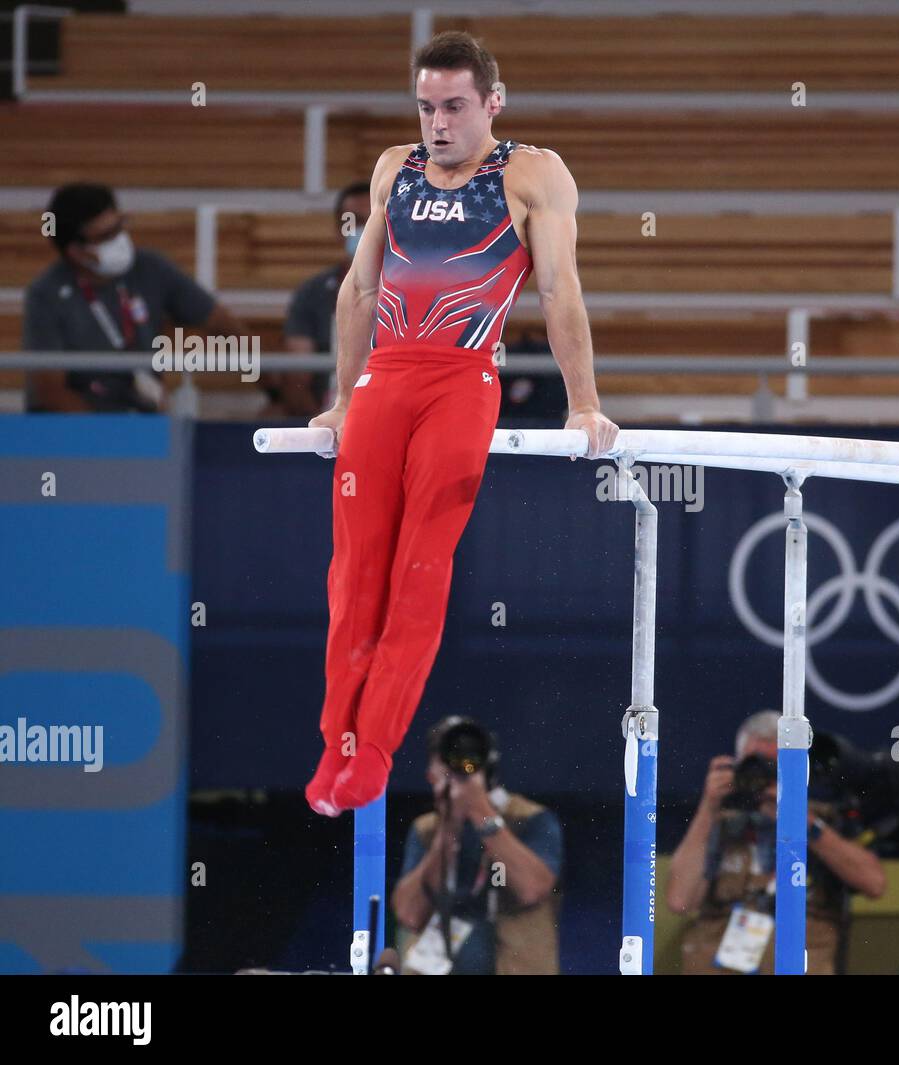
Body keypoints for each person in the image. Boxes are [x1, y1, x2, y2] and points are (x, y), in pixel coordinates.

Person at [305, 31, 619, 816]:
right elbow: (357, 292)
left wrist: (584, 401)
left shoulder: (533, 174)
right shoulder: (394, 170)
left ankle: (374, 746)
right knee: (354, 574)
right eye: (425, 107)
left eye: (453, 107)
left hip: (462, 382)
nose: (437, 124)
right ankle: (335, 743)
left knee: (420, 566)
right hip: (385, 379)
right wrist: (345, 397)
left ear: (492, 102)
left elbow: (558, 292)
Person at [666, 711, 888, 975]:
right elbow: (679, 900)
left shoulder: (821, 820)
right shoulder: (720, 822)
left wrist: (802, 821)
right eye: (755, 763)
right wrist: (709, 806)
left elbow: (875, 883)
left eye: (775, 764)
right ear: (737, 765)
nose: (765, 774)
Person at [22, 183, 246, 413]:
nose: (120, 240)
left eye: (120, 227)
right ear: (76, 251)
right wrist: (108, 435)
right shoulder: (46, 294)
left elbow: (219, 321)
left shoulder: (150, 267)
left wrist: (271, 389)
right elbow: (50, 391)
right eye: (106, 236)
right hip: (78, 430)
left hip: (144, 416)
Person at [390, 717, 562, 974]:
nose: (460, 768)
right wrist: (448, 830)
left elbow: (531, 889)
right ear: (430, 774)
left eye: (468, 760)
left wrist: (481, 812)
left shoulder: (531, 819)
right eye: (449, 762)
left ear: (488, 766)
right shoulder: (425, 830)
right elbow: (409, 914)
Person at [270, 181, 373, 417]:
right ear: (339, 229)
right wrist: (321, 436)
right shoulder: (311, 294)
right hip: (328, 420)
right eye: (354, 221)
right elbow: (297, 378)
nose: (363, 229)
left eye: (372, 220)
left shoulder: (410, 289)